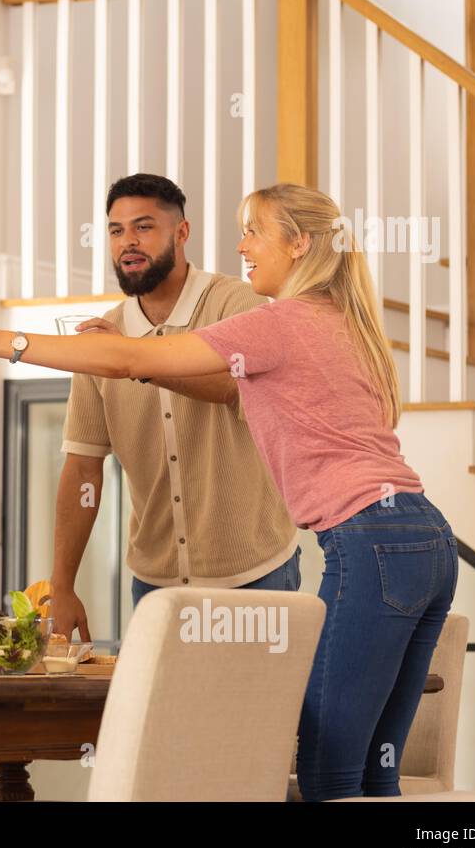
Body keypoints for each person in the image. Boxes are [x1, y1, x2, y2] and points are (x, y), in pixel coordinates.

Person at [0, 183, 457, 802]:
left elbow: (129, 364)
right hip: (427, 540)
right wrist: (118, 348)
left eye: (254, 231)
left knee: (329, 771)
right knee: (373, 771)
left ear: (300, 243)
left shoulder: (278, 323)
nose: (243, 246)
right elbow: (144, 366)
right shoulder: (341, 321)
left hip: (367, 543)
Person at [51, 174, 299, 644]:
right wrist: (63, 584)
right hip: (155, 586)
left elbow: (233, 386)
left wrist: (133, 361)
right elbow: (83, 468)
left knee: (258, 717)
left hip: (255, 572)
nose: (128, 242)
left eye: (144, 227)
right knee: (167, 718)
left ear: (181, 233)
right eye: (116, 230)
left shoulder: (238, 303)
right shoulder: (102, 338)